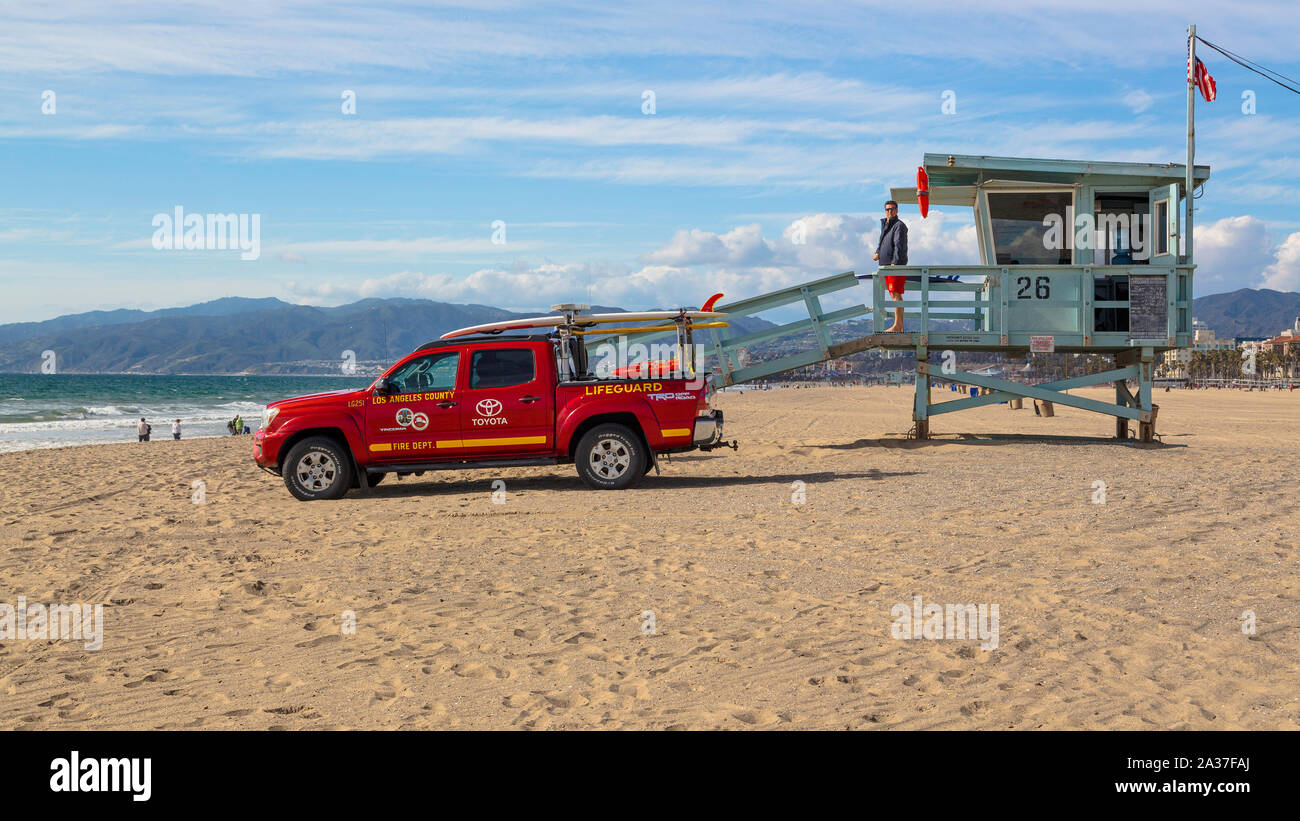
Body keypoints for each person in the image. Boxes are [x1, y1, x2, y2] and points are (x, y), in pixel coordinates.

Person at [873, 200, 909, 332]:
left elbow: (899, 245)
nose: (890, 211)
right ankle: (899, 326)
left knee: (896, 294)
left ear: (897, 210)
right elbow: (882, 241)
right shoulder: (886, 224)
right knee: (893, 294)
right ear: (885, 211)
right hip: (885, 266)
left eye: (893, 209)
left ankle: (898, 326)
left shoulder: (899, 225)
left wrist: (896, 262)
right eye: (888, 209)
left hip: (894, 266)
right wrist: (877, 252)